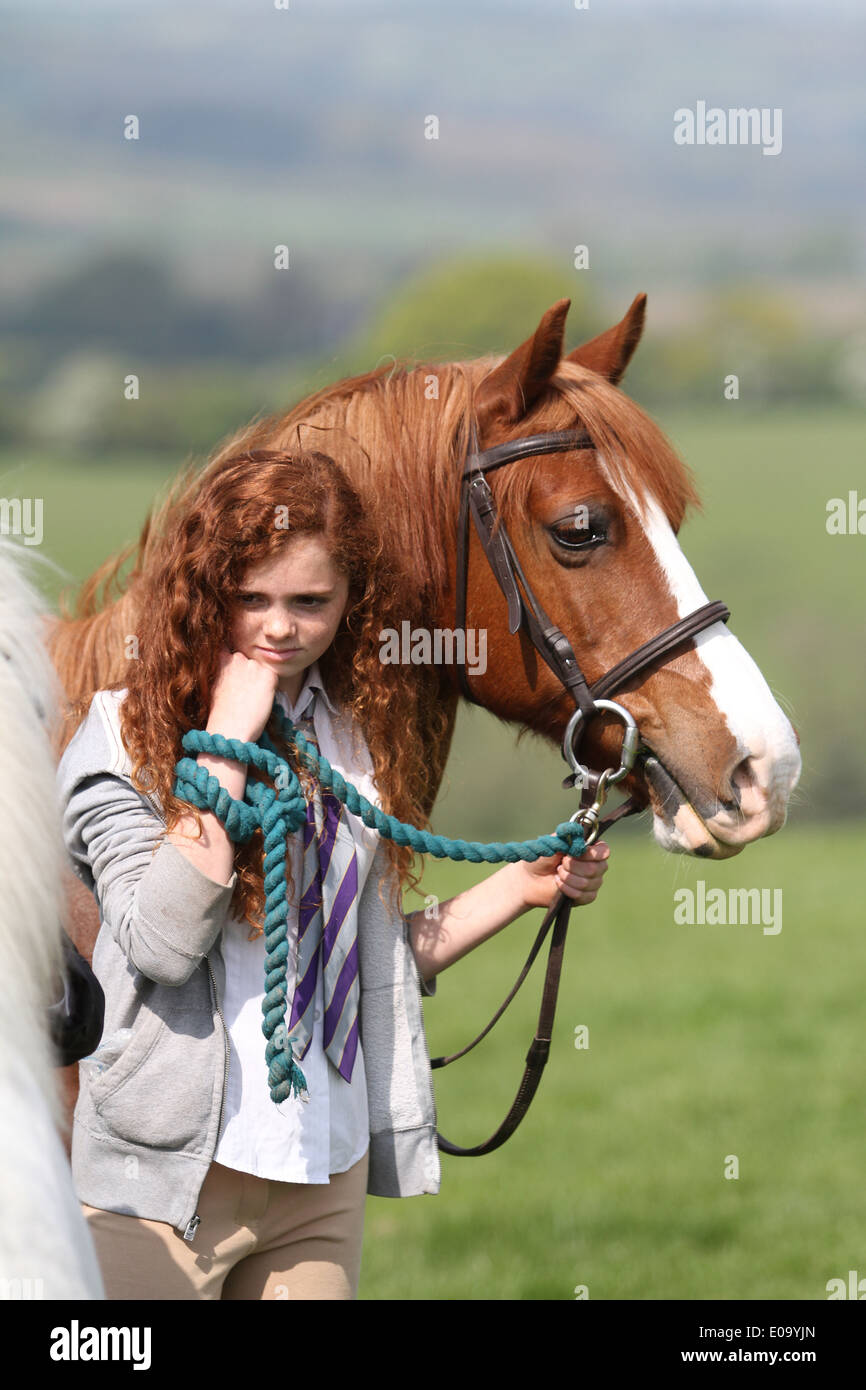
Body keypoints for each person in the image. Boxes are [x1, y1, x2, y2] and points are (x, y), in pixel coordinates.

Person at [56, 447, 610, 1301]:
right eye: (253, 600)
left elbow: (362, 966)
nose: (281, 627)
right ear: (204, 596)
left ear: (353, 601)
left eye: (311, 602)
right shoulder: (119, 739)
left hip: (319, 1174)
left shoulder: (352, 743)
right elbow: (164, 944)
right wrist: (229, 750)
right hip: (158, 1187)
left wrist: (521, 886)